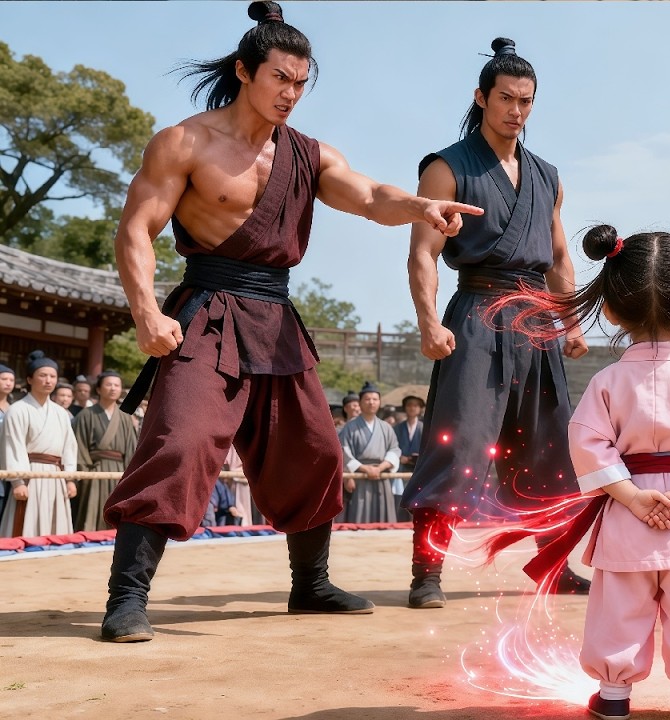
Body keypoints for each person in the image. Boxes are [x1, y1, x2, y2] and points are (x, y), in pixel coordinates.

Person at [99, 1, 482, 643]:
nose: (291, 93)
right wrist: (145, 313)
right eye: (280, 78)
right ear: (246, 71)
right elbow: (136, 228)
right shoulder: (185, 142)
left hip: (276, 316)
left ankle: (311, 584)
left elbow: (367, 196)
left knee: (317, 451)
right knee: (182, 442)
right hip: (208, 312)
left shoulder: (308, 155)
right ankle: (127, 597)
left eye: (302, 82)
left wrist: (420, 204)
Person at [485, 223, 670, 720]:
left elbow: (588, 443)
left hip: (628, 513)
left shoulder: (605, 381)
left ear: (609, 309)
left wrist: (630, 496)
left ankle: (614, 695)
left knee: (619, 604)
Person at [402, 37, 589, 609]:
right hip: (477, 314)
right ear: (481, 97)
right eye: (505, 98)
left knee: (548, 446)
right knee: (457, 441)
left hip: (537, 319)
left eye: (526, 101)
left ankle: (552, 566)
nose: (516, 110)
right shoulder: (446, 167)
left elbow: (558, 256)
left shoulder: (548, 175)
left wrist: (572, 319)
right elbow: (423, 253)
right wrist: (429, 322)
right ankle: (426, 574)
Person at [0, 352, 78, 538]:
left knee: (55, 527)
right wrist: (18, 481)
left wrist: (70, 478)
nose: (48, 380)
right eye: (42, 375)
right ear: (29, 379)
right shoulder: (17, 410)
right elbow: (13, 446)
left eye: (52, 376)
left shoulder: (61, 413)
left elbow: (69, 447)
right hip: (29, 474)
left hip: (56, 474)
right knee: (26, 526)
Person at [72, 371, 138, 532]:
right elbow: (79, 445)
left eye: (117, 385)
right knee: (92, 513)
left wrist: (128, 475)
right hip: (94, 470)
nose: (113, 388)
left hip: (119, 472)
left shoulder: (125, 417)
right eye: (108, 385)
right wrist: (85, 473)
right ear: (99, 389)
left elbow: (131, 448)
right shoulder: (85, 415)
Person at [337, 382, 400, 523]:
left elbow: (395, 449)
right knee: (360, 515)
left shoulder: (386, 427)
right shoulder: (350, 427)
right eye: (367, 399)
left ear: (379, 402)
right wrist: (365, 469)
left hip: (381, 475)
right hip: (360, 476)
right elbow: (343, 451)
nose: (371, 402)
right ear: (360, 402)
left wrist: (380, 468)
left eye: (375, 399)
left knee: (383, 517)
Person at [393, 393, 425, 523]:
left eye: (416, 405)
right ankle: (400, 522)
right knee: (400, 496)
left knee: (417, 497)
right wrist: (399, 457)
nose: (412, 408)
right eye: (409, 405)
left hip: (419, 468)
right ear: (405, 408)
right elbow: (392, 446)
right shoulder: (397, 428)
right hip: (401, 467)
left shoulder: (424, 427)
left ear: (420, 409)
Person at [0, 363, 15, 521]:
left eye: (11, 379)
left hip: (9, 464)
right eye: (4, 379)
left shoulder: (14, 408)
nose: (8, 382)